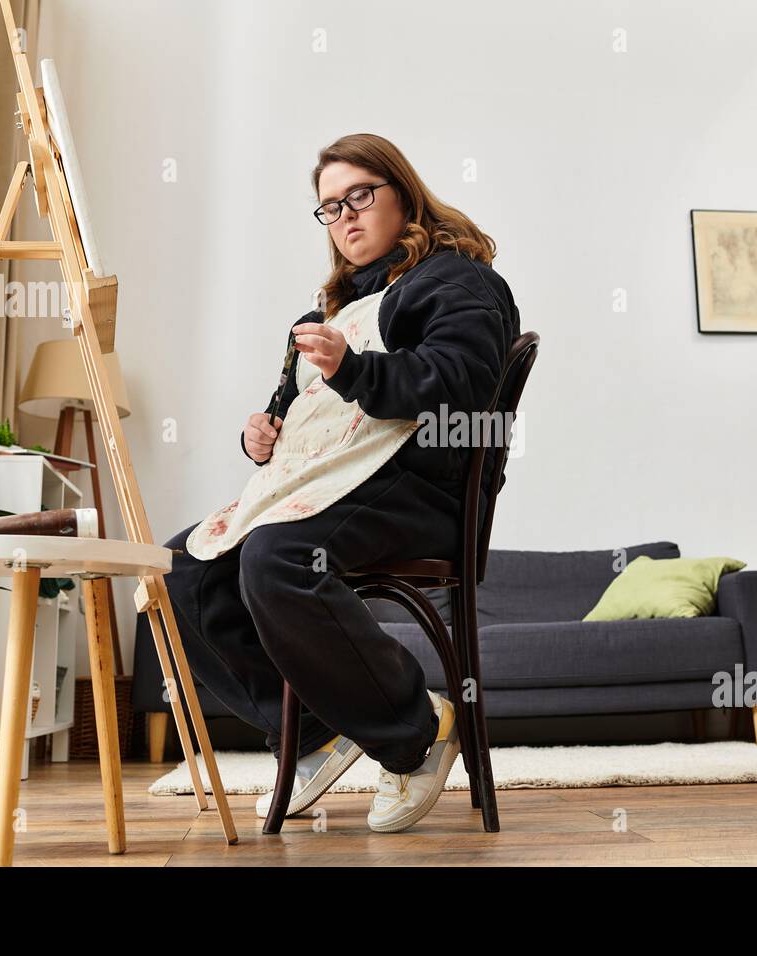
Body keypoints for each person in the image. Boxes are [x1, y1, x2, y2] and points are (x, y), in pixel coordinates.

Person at [161, 133, 521, 833]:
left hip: (424, 491)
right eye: (330, 207)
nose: (346, 217)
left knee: (277, 558)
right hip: (336, 487)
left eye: (361, 196)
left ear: (404, 193)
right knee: (182, 567)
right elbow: (292, 409)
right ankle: (321, 733)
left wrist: (355, 369)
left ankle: (416, 732)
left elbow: (460, 387)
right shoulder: (329, 308)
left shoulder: (458, 280)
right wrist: (259, 432)